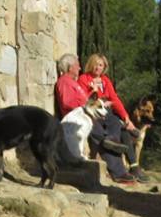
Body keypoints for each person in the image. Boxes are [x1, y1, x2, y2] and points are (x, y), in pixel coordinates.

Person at [55, 53, 143, 185]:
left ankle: (128, 166)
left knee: (115, 125)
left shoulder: (73, 82)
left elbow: (113, 99)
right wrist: (91, 102)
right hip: (81, 118)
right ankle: (119, 172)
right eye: (77, 66)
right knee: (102, 139)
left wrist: (125, 117)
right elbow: (69, 104)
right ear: (69, 67)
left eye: (101, 65)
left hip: (89, 114)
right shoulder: (65, 82)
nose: (79, 68)